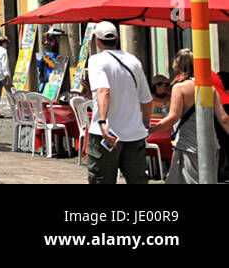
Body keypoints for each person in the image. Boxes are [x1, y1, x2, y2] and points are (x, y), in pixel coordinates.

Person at [84, 21, 152, 185]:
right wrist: (145, 123)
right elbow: (146, 99)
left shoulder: (96, 60)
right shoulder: (133, 61)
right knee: (138, 180)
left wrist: (102, 121)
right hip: (134, 133)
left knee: (101, 179)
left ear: (97, 40)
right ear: (117, 38)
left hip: (106, 134)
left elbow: (103, 91)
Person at [150, 48, 229, 184]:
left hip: (188, 145)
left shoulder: (179, 88)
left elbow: (173, 117)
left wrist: (151, 130)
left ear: (178, 67)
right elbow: (224, 118)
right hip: (211, 144)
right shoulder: (211, 89)